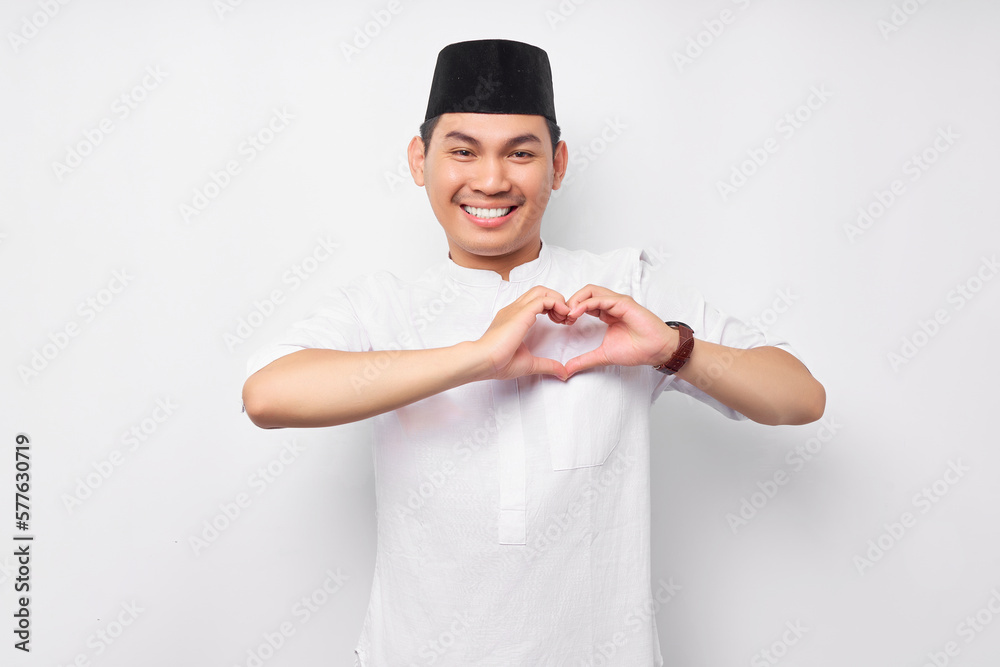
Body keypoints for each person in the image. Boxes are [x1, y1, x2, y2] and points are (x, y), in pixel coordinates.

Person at [242, 38, 824, 667]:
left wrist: (674, 349)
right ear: (420, 159)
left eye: (520, 154)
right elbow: (268, 395)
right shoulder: (383, 306)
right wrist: (477, 357)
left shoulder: (622, 286)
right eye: (463, 152)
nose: (490, 180)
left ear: (559, 163)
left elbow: (800, 397)